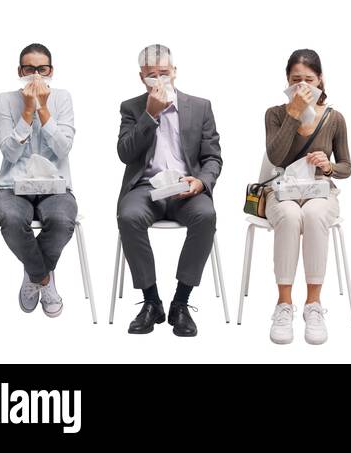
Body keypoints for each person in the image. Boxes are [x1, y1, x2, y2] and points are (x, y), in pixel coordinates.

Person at [116, 44, 222, 337]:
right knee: (128, 217)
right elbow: (125, 153)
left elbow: (212, 156)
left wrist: (200, 182)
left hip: (185, 187)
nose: (159, 80)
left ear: (174, 72)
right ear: (142, 78)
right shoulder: (132, 107)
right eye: (152, 76)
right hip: (146, 188)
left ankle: (181, 303)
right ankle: (151, 302)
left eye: (164, 73)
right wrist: (149, 115)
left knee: (206, 215)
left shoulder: (200, 106)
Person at [264, 49, 351, 345]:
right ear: (287, 81)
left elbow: (346, 167)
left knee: (313, 215)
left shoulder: (334, 118)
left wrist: (328, 166)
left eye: (309, 79)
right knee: (289, 216)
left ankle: (313, 305)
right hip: (283, 190)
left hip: (319, 190)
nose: (302, 86)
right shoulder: (275, 114)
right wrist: (293, 114)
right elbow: (276, 156)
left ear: (321, 80)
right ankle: (284, 304)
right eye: (295, 79)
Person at [0, 43, 77, 318]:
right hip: (12, 186)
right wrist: (27, 110)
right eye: (30, 69)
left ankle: (32, 274)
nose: (36, 75)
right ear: (20, 71)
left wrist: (43, 110)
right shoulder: (4, 100)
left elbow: (64, 149)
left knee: (63, 220)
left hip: (56, 186)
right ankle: (43, 278)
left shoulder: (62, 98)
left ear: (51, 71)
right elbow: (9, 152)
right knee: (12, 219)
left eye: (42, 69)